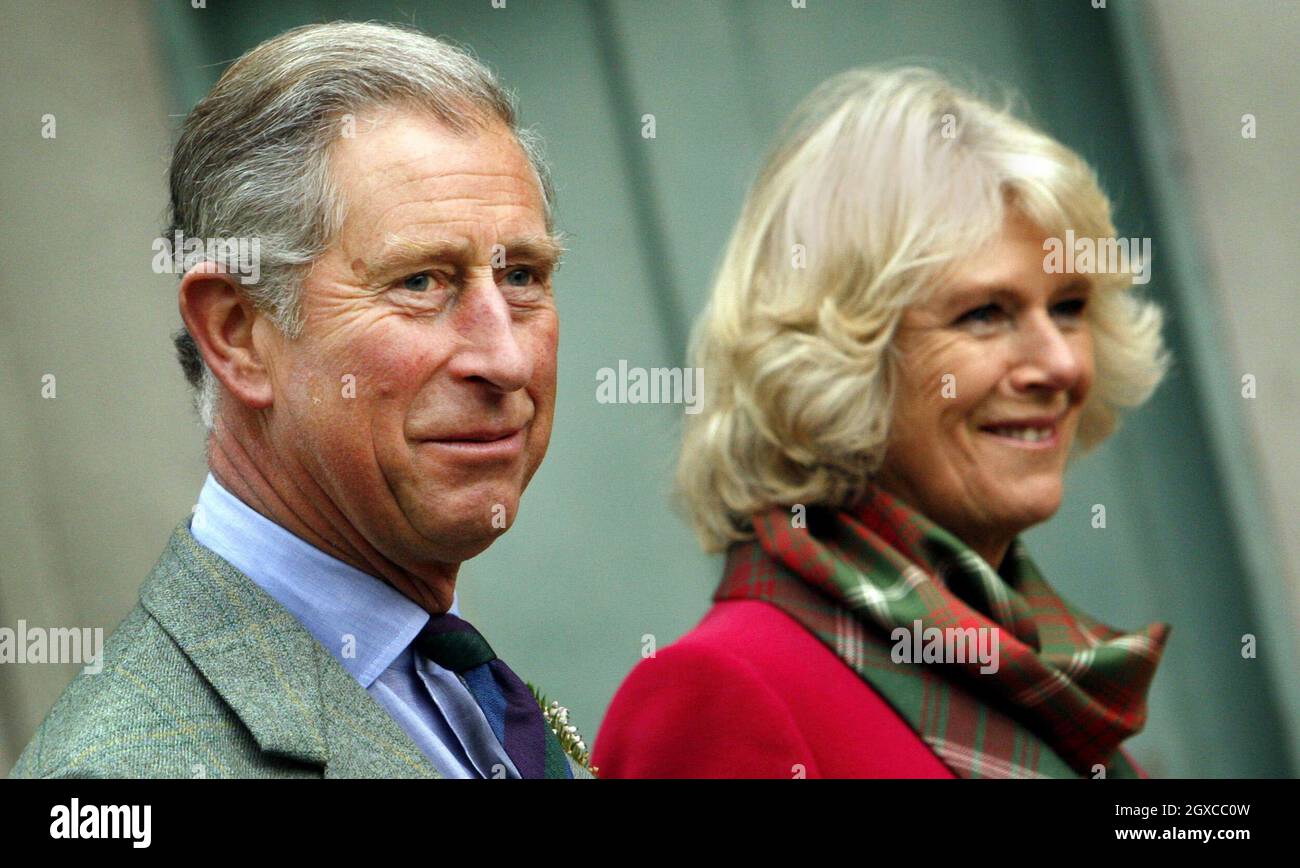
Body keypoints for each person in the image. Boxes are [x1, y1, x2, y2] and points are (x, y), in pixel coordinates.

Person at [12, 22, 591, 779]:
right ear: (238, 333)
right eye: (421, 282)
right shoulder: (123, 776)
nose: (506, 358)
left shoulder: (438, 669)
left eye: (521, 275)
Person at [594, 67, 1172, 779]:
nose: (1056, 363)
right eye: (984, 314)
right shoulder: (724, 691)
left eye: (1070, 307)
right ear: (839, 356)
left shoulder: (1050, 680)